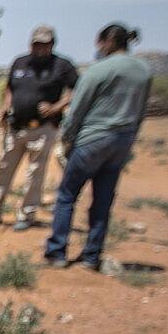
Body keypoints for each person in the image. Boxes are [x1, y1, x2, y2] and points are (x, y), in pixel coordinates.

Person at [44, 23, 152, 270]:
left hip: (91, 140)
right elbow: (141, 110)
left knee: (67, 196)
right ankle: (92, 256)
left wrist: (67, 139)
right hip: (122, 141)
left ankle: (57, 252)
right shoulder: (143, 70)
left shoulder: (99, 70)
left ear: (107, 42)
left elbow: (78, 110)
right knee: (103, 199)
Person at [0, 24, 77, 230]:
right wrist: (5, 106)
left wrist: (56, 107)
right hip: (15, 127)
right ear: (31, 44)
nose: (39, 49)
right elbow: (10, 87)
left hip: (43, 128)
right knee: (2, 169)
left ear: (52, 45)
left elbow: (76, 90)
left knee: (35, 172)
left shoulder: (62, 66)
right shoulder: (20, 63)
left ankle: (26, 215)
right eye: (36, 44)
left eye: (44, 45)